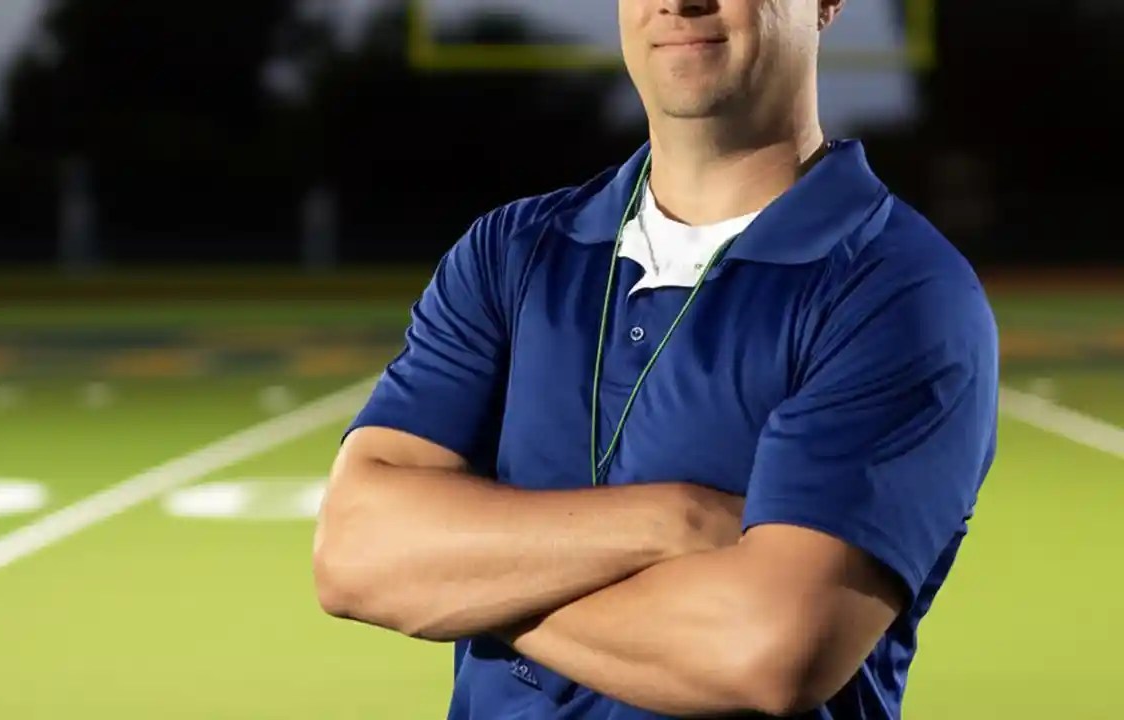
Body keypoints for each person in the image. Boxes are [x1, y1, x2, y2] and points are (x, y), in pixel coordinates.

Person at [312, 1, 999, 718]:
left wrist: (454, 583)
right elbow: (354, 552)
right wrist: (679, 521)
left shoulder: (899, 291)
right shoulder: (509, 253)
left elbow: (768, 651)